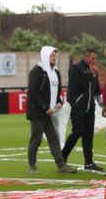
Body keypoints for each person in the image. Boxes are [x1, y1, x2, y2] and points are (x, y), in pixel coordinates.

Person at [26, 46, 76, 175]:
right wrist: (44, 107)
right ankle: (32, 166)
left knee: (53, 139)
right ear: (45, 56)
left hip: (50, 113)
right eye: (52, 56)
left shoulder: (56, 72)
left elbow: (56, 92)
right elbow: (33, 92)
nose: (55, 58)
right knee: (36, 139)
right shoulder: (36, 72)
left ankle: (61, 165)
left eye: (56, 56)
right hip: (38, 113)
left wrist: (58, 101)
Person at [62, 49, 104, 172]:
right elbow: (79, 84)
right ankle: (62, 157)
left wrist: (95, 76)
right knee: (77, 132)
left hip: (90, 107)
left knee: (88, 135)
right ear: (86, 57)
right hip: (78, 106)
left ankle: (89, 162)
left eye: (96, 58)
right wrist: (90, 74)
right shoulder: (75, 68)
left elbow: (96, 90)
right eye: (93, 58)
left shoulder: (93, 72)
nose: (94, 61)